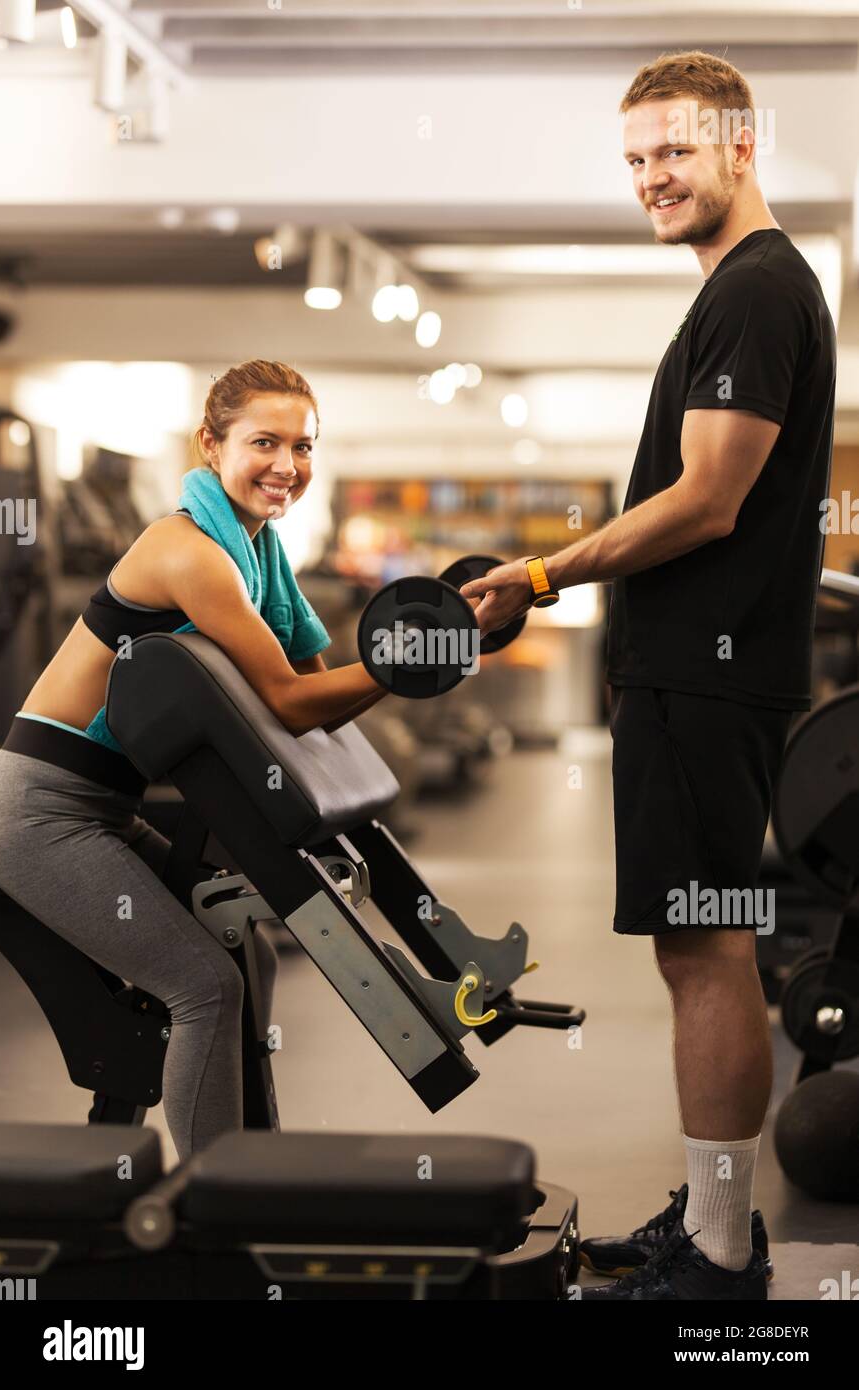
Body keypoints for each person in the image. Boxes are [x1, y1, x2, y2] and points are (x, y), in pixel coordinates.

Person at [461, 52, 836, 1301]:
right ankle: (714, 1217)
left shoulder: (755, 289)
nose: (649, 179)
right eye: (631, 160)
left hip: (702, 679)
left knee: (706, 951)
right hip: (697, 676)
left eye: (671, 151)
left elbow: (708, 498)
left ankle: (722, 1253)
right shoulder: (741, 290)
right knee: (700, 949)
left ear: (738, 145)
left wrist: (544, 570)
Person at [0, 360, 389, 1160]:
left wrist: (429, 649)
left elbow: (321, 686)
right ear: (212, 445)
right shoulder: (187, 550)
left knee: (247, 947)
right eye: (265, 442)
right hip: (37, 815)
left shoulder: (260, 551)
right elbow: (288, 699)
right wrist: (409, 663)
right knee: (204, 986)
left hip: (104, 809)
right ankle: (220, 1201)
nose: (288, 465)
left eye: (304, 447)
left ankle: (253, 1160)